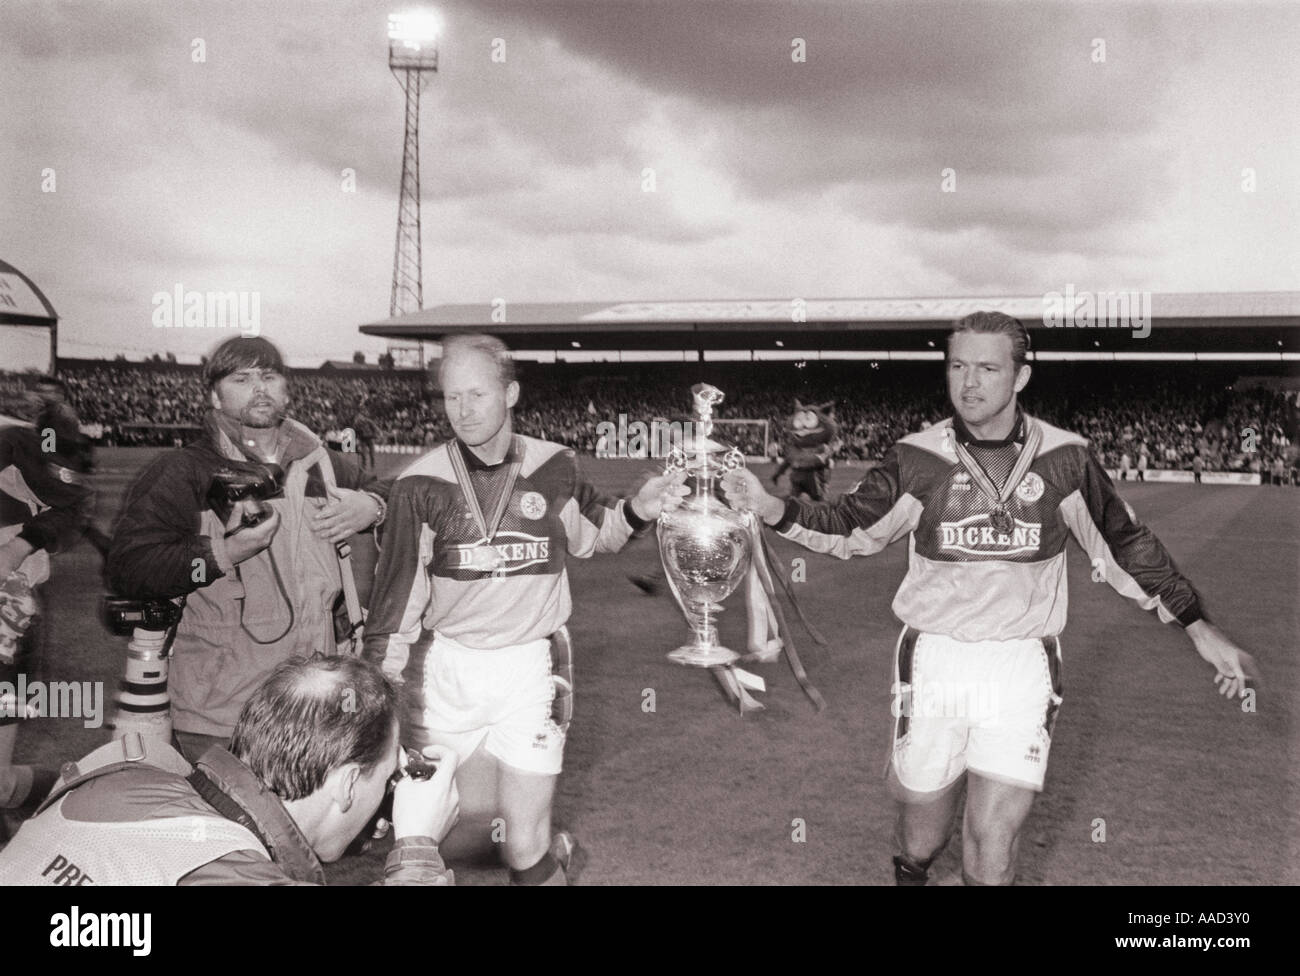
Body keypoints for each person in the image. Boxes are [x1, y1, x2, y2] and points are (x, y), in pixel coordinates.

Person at [722, 311, 1258, 886]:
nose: (969, 382)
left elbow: (1126, 543)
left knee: (993, 838)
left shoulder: (1065, 458)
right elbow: (853, 525)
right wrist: (774, 508)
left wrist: (1197, 625)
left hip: (1021, 661)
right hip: (934, 659)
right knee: (922, 837)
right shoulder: (916, 456)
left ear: (1020, 377)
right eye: (957, 366)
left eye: (987, 368)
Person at [364, 333, 686, 885]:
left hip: (533, 669)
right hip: (450, 671)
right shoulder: (420, 484)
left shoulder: (554, 466)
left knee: (522, 844)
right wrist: (374, 696)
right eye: (450, 398)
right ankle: (539, 848)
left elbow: (594, 537)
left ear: (510, 393)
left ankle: (539, 853)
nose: (462, 411)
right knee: (448, 838)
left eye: (477, 395)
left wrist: (637, 509)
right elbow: (395, 606)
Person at [107, 337, 389, 760]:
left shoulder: (323, 465)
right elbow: (129, 567)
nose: (259, 388)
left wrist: (373, 504)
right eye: (241, 378)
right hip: (221, 712)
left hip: (313, 705)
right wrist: (222, 553)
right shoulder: (184, 471)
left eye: (269, 376)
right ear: (215, 395)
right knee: (223, 824)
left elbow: (401, 491)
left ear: (287, 390)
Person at [0, 656, 460, 884]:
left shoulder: (126, 768)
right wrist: (417, 847)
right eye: (383, 778)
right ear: (346, 784)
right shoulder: (236, 875)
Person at [0, 406, 93, 830]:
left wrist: (19, 545)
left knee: (0, 784)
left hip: (9, 622)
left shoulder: (23, 444)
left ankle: (77, 793)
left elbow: (72, 506)